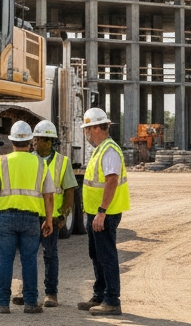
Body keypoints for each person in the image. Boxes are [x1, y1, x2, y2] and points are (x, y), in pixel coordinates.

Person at [0, 120, 55, 314]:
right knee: (30, 261)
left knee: (5, 260)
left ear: (11, 141)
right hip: (31, 219)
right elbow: (48, 194)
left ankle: (2, 303)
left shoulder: (3, 161)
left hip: (7, 217)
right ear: (30, 141)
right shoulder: (40, 163)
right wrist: (48, 220)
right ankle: (31, 303)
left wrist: (6, 200)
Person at [11, 119, 77, 308]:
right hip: (31, 216)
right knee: (28, 255)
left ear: (51, 142)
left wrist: (64, 215)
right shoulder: (28, 158)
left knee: (50, 254)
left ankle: (51, 293)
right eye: (40, 139)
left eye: (46, 140)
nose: (42, 143)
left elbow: (70, 190)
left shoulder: (62, 162)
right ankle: (27, 292)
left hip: (52, 218)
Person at [77, 107, 130, 316]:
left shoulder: (109, 150)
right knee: (97, 255)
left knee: (106, 256)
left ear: (98, 128)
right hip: (96, 213)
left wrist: (101, 212)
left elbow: (111, 180)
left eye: (88, 129)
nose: (86, 134)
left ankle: (111, 300)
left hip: (104, 214)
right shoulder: (100, 149)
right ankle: (100, 295)